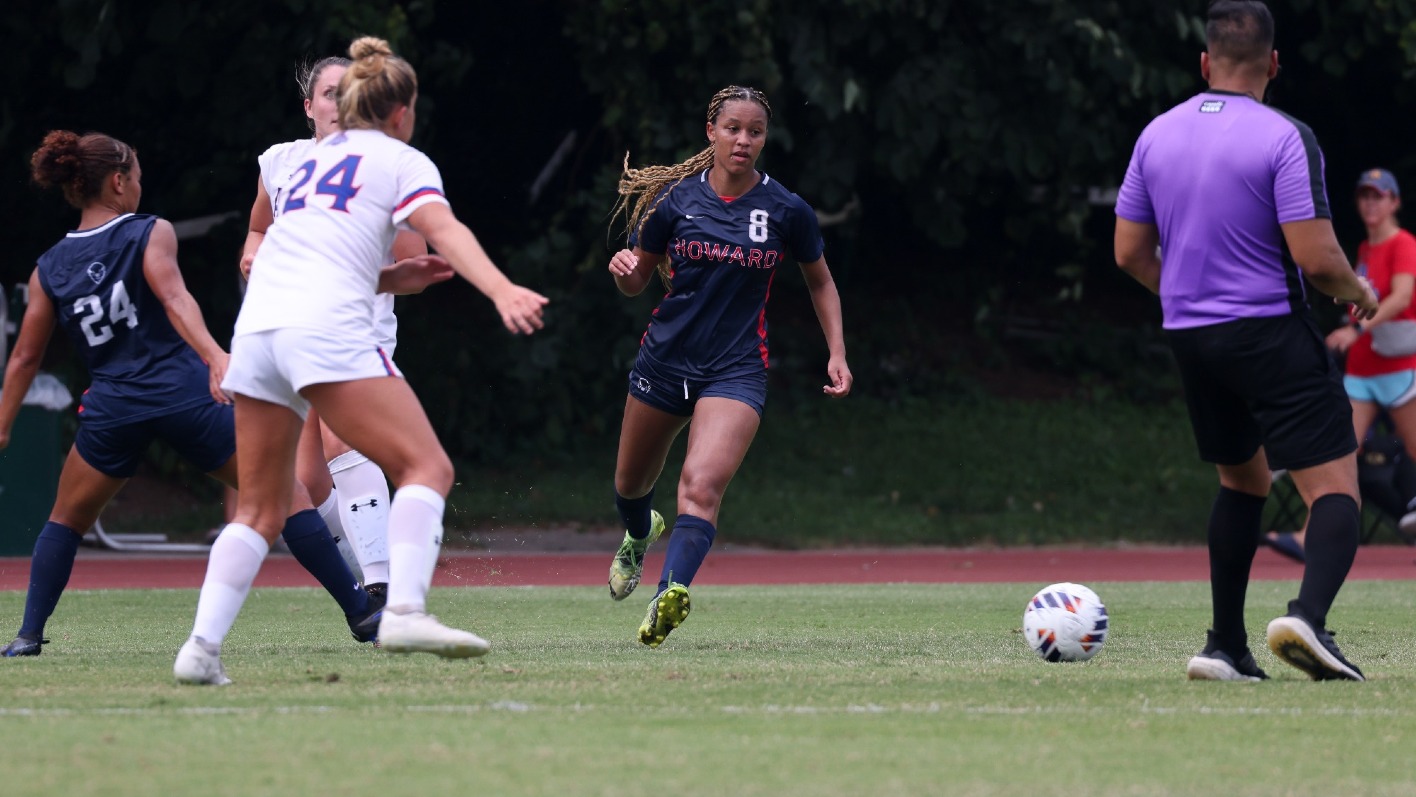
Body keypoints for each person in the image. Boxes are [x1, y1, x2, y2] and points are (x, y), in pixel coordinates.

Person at [173, 35, 548, 685]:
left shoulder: (302, 164)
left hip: (260, 326)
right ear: (400, 111)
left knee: (260, 510)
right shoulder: (401, 159)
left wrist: (393, 280)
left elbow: (308, 253)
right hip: (325, 329)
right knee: (426, 465)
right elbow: (447, 228)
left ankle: (200, 649)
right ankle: (401, 605)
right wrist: (501, 288)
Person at [0, 130, 383, 659]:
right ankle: (363, 612)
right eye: (134, 176)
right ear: (117, 181)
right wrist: (216, 357)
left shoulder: (48, 268)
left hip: (114, 411)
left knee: (65, 520)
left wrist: (2, 424)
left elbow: (23, 357)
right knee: (284, 494)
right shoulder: (149, 231)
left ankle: (26, 635)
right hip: (184, 398)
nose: (138, 185)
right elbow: (176, 298)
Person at [1114, 0, 1379, 683]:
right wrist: (1358, 291)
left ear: (1204, 62)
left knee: (1243, 479)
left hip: (1190, 335)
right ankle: (1308, 618)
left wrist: (1186, 296)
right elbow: (1316, 259)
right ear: (1274, 64)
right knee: (1335, 486)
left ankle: (1224, 645)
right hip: (1267, 329)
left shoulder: (1155, 134)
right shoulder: (1286, 136)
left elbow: (1129, 252)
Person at [603, 85, 852, 647]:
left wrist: (836, 351)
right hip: (664, 363)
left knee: (700, 487)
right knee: (629, 488)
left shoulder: (787, 209)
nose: (743, 140)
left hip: (735, 371)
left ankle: (669, 593)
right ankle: (639, 535)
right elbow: (638, 278)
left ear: (765, 138)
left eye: (755, 131)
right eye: (733, 128)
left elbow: (821, 282)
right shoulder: (674, 202)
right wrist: (624, 271)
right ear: (711, 132)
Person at [241, 55, 429, 594]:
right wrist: (253, 258)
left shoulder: (388, 166)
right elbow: (257, 231)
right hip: (287, 330)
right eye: (329, 93)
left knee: (342, 442)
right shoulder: (280, 163)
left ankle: (380, 584)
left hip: (353, 328)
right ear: (309, 106)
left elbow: (412, 268)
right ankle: (376, 569)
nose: (340, 104)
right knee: (302, 485)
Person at [1264, 168, 1416, 562]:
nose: (1371, 202)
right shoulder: (1366, 251)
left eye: (1379, 196)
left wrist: (1355, 330)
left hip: (1402, 370)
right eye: (1365, 195)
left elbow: (1401, 298)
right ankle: (1308, 537)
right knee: (1339, 455)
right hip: (1363, 375)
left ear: (1394, 202)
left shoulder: (1403, 244)